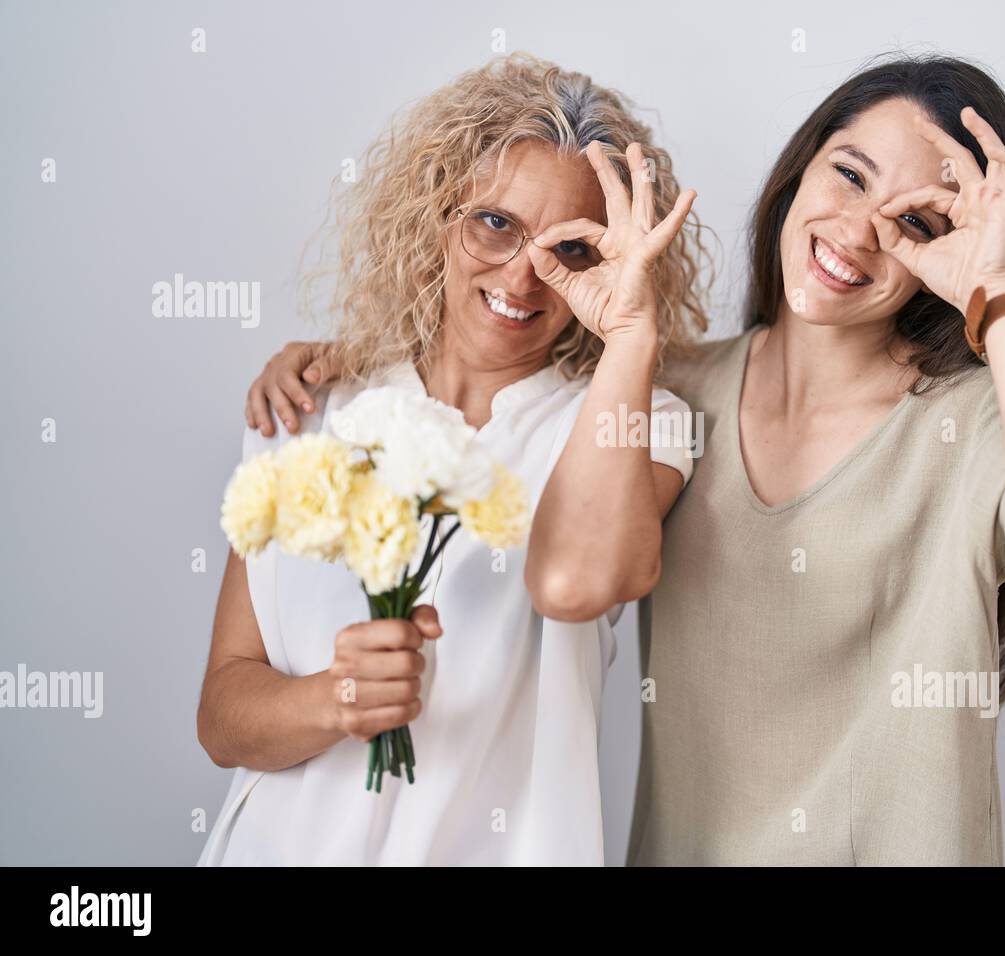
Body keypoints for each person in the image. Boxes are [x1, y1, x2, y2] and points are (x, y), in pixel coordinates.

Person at [246, 54, 1005, 866]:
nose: (860, 231)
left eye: (917, 221)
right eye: (848, 175)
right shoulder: (671, 391)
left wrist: (997, 295)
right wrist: (350, 363)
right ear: (799, 170)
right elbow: (523, 386)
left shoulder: (972, 426)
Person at [196, 53, 708, 865]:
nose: (524, 277)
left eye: (570, 251)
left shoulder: (641, 423)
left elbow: (578, 582)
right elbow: (223, 717)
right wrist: (336, 700)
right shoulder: (314, 407)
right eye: (496, 223)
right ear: (439, 212)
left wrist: (631, 334)